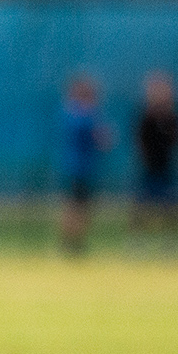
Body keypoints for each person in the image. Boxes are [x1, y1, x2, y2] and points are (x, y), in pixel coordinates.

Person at [131, 70, 178, 248]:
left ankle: (170, 242)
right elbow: (138, 140)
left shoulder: (174, 116)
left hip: (167, 166)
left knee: (171, 206)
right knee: (142, 205)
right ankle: (137, 242)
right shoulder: (145, 115)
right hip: (149, 167)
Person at [58, 74, 112, 254]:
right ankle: (73, 243)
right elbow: (102, 140)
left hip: (74, 166)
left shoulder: (70, 112)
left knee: (75, 205)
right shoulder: (86, 114)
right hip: (81, 167)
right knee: (79, 207)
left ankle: (70, 242)